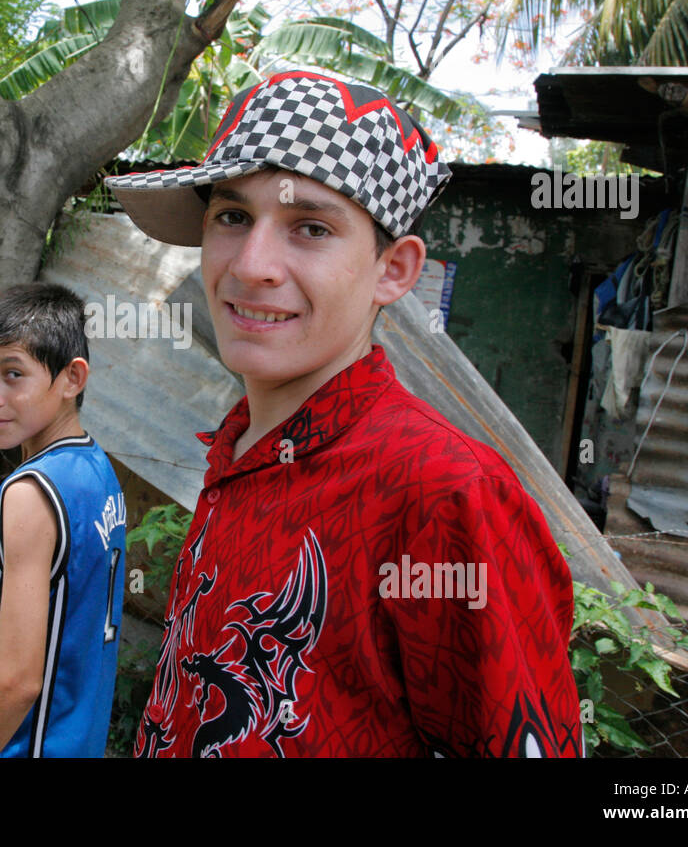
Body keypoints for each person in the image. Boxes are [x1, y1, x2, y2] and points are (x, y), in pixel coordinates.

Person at [104, 71, 583, 757]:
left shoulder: (443, 493)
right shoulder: (238, 449)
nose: (252, 264)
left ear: (393, 269)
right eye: (233, 216)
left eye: (311, 227)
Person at [0, 283, 127, 757]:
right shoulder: (97, 471)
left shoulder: (29, 494)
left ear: (72, 378)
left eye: (13, 374)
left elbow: (16, 680)